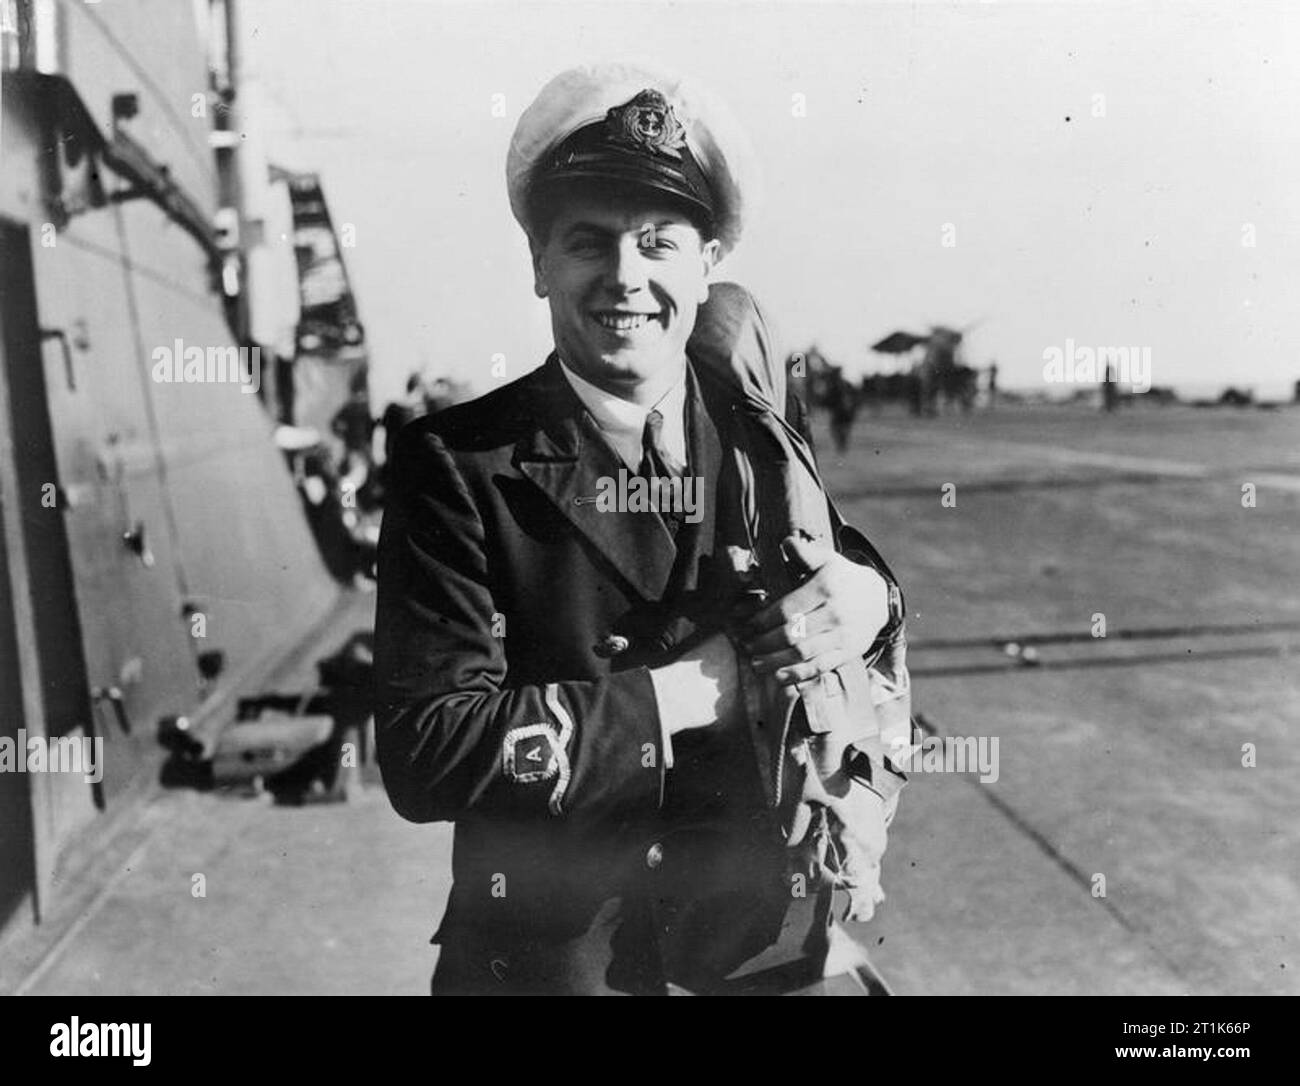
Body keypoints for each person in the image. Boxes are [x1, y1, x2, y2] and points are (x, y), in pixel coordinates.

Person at [373, 62, 906, 995]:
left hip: (760, 952)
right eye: (589, 242)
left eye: (658, 242)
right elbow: (428, 751)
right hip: (555, 965)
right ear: (539, 264)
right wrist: (693, 690)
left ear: (706, 264)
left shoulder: (756, 429)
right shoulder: (457, 466)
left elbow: (825, 549)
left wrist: (869, 598)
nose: (626, 277)